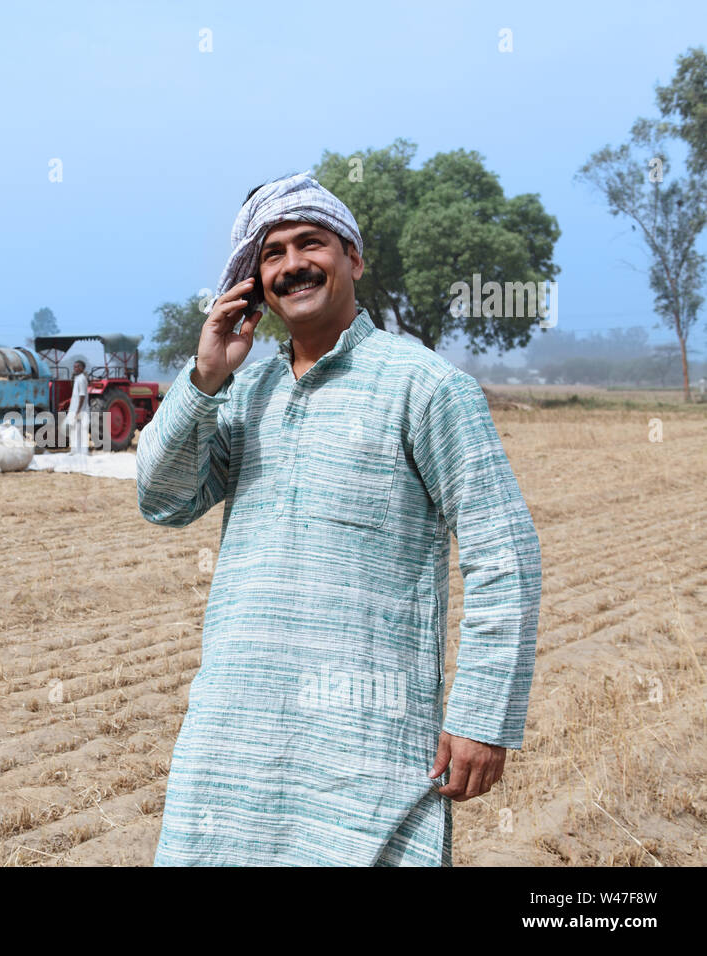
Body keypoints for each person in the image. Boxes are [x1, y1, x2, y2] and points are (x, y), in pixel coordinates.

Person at [137, 172, 542, 866]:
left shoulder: (426, 387)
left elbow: (504, 554)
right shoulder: (242, 394)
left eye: (310, 243)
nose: (292, 264)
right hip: (234, 743)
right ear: (255, 283)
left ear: (353, 259)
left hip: (366, 752)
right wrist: (205, 376)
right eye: (272, 254)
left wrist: (481, 716)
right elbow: (162, 498)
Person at [66, 358, 90, 458]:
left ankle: (83, 452)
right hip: (75, 409)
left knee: (81, 431)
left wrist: (78, 410)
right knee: (74, 431)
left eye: (77, 367)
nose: (75, 368)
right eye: (74, 367)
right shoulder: (77, 378)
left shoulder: (81, 379)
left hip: (80, 410)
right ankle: (75, 450)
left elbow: (82, 395)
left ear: (82, 368)